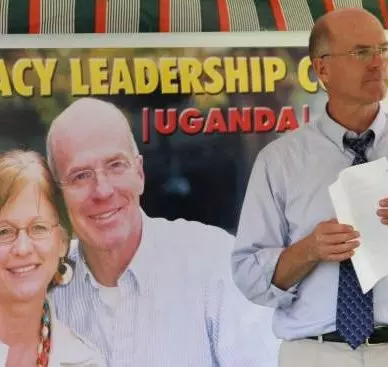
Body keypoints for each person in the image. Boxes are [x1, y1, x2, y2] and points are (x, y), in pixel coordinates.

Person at [46, 97, 280, 367]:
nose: (103, 191)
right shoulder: (46, 288)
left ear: (140, 174)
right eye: (80, 176)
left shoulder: (215, 263)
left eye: (115, 165)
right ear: (59, 194)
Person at [231, 7, 388, 367]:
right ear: (322, 69)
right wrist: (308, 250)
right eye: (361, 52)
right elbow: (248, 276)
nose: (378, 63)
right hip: (315, 353)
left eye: (383, 50)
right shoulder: (280, 161)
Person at [0, 150, 105, 367]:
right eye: (4, 232)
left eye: (38, 228)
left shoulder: (85, 362)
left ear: (62, 242)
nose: (22, 248)